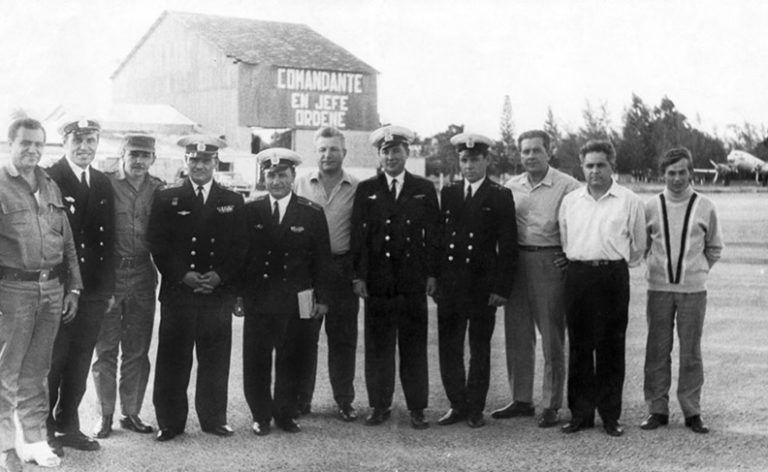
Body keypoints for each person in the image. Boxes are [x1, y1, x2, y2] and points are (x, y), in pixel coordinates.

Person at [147, 135, 247, 442]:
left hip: (216, 292)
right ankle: (170, 421)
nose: (199, 165)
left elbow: (241, 247)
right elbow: (158, 245)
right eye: (194, 160)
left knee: (215, 359)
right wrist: (182, 275)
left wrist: (220, 276)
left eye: (206, 161)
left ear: (215, 163)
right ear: (185, 162)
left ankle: (214, 418)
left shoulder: (232, 200)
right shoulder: (167, 197)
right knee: (173, 359)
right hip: (180, 291)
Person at [0, 118, 82, 471]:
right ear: (10, 144)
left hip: (51, 289)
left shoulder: (49, 184)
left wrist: (74, 287)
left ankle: (34, 441)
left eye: (38, 144)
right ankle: (4, 447)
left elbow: (67, 242)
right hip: (12, 291)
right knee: (6, 372)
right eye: (25, 143)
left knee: (37, 371)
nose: (32, 150)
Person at [351, 125, 440, 429]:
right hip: (378, 282)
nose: (391, 156)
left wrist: (431, 273)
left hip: (412, 281)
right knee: (378, 347)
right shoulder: (366, 190)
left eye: (396, 151)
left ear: (407, 153)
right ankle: (379, 405)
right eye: (385, 151)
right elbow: (358, 239)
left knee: (414, 346)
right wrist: (358, 277)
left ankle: (417, 408)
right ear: (379, 155)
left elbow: (434, 237)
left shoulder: (424, 188)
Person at [240, 148, 332, 435]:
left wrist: (324, 298)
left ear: (293, 177)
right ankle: (260, 415)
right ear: (263, 177)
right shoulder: (251, 210)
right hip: (260, 298)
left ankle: (286, 413)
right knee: (256, 359)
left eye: (282, 175)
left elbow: (322, 260)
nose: (276, 181)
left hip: (298, 299)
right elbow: (241, 257)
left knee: (293, 357)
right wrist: (239, 295)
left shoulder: (311, 212)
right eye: (271, 175)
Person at [558, 140, 646, 437]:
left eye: (601, 165)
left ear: (612, 167)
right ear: (582, 167)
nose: (595, 171)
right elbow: (565, 238)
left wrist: (614, 265)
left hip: (612, 278)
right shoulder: (571, 201)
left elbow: (638, 246)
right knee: (580, 347)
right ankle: (580, 415)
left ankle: (610, 416)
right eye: (589, 165)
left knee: (611, 347)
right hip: (579, 276)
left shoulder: (629, 200)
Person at [493, 130, 581, 427]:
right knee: (517, 334)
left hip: (549, 262)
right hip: (516, 263)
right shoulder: (510, 186)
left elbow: (580, 225)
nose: (530, 156)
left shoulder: (568, 186)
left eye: (536, 151)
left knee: (552, 335)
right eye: (525, 151)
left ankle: (551, 403)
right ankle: (521, 399)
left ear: (548, 152)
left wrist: (569, 255)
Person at [436, 133, 517, 428]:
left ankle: (474, 408)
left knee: (479, 349)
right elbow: (438, 239)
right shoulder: (450, 192)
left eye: (474, 160)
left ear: (486, 160)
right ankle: (457, 404)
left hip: (482, 286)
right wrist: (435, 278)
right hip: (451, 284)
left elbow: (508, 246)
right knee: (450, 348)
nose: (468, 165)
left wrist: (501, 288)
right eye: (464, 160)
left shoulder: (499, 195)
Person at [641, 147, 723, 434]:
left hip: (693, 292)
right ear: (663, 174)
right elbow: (643, 246)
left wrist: (696, 270)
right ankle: (657, 409)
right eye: (671, 173)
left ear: (691, 172)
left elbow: (714, 247)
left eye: (682, 172)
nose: (677, 178)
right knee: (657, 350)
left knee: (691, 351)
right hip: (658, 290)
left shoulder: (706, 206)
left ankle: (692, 410)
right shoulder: (650, 206)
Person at [46, 118, 116, 453]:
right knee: (54, 359)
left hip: (94, 289)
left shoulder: (102, 182)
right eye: (78, 140)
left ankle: (69, 425)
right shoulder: (50, 178)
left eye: (90, 140)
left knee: (80, 360)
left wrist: (109, 289)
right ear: (64, 142)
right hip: (60, 288)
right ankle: (44, 428)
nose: (84, 147)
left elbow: (110, 239)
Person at [91, 135, 165, 439]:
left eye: (146, 155)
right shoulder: (105, 184)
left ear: (153, 159)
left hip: (143, 275)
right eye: (134, 154)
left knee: (137, 349)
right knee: (105, 350)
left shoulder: (158, 189)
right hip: (110, 275)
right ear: (122, 154)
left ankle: (130, 412)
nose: (139, 161)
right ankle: (104, 414)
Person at [293, 127, 360, 421]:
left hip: (342, 270)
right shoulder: (299, 182)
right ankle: (300, 400)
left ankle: (344, 400)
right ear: (315, 152)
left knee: (343, 338)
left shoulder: (357, 187)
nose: (327, 155)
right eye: (322, 149)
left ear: (344, 153)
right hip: (308, 272)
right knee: (305, 337)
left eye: (333, 149)